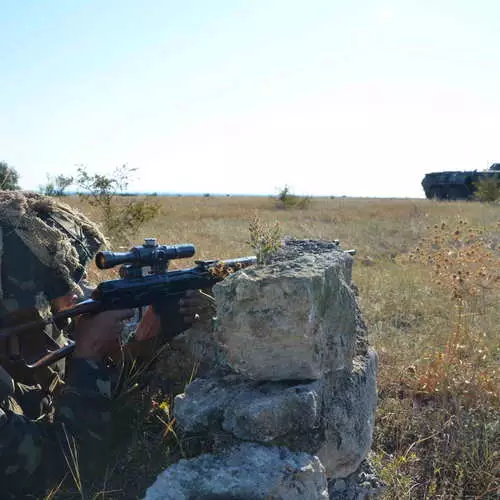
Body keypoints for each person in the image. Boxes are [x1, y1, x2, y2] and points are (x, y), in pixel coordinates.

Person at [0, 191, 208, 498]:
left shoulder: (32, 331)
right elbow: (68, 470)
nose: (76, 292)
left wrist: (148, 341)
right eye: (56, 284)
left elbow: (67, 395)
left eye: (75, 276)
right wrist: (87, 357)